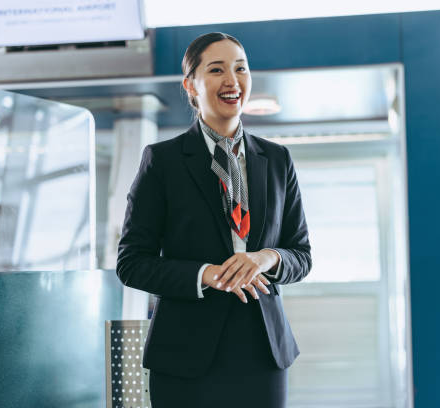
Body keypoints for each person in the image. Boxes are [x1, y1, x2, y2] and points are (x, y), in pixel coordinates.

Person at [116, 32, 311, 408]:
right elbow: (131, 263)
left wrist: (265, 258)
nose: (232, 80)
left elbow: (300, 255)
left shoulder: (277, 160)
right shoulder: (163, 161)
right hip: (185, 355)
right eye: (217, 69)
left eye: (241, 69)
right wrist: (207, 273)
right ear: (191, 85)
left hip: (263, 352)